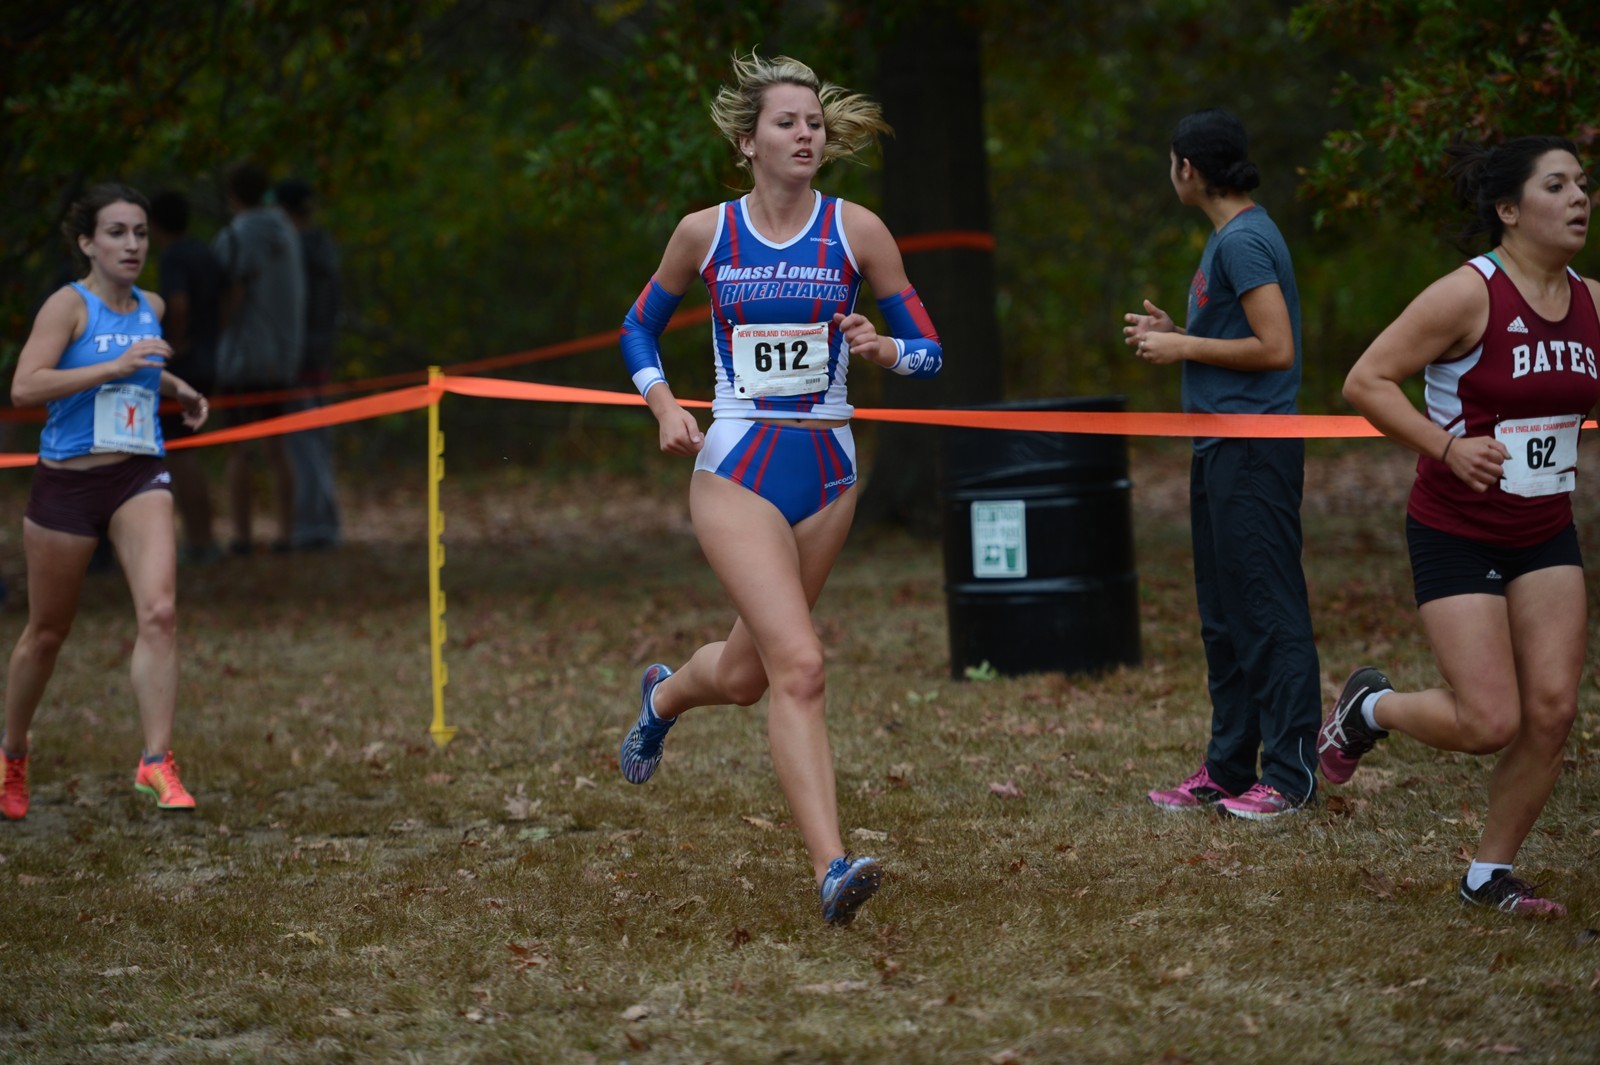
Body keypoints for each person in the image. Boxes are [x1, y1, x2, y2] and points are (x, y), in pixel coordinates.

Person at [614, 52, 942, 925]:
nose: (806, 134)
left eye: (815, 123)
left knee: (751, 673)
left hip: (830, 473)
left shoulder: (859, 231)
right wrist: (659, 404)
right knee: (801, 666)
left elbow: (930, 349)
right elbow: (638, 326)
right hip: (737, 467)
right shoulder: (705, 233)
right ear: (748, 139)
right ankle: (833, 866)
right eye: (788, 122)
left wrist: (886, 352)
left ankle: (663, 695)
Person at [1322, 136, 1597, 917]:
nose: (1580, 197)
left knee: (1552, 710)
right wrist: (1446, 446)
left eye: (1584, 183)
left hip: (1544, 529)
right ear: (1510, 210)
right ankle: (1366, 709)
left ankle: (1489, 874)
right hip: (1455, 526)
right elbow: (1364, 381)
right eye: (1558, 184)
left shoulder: (1594, 304)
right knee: (1488, 720)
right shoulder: (1468, 294)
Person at [1124, 108, 1321, 820]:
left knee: (1267, 609)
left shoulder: (1244, 240)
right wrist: (1180, 333)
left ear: (1188, 169)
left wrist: (1183, 349)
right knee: (1225, 617)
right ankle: (1228, 768)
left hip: (1254, 446)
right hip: (1217, 447)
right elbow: (1241, 336)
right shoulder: (1230, 238)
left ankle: (1291, 775)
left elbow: (1276, 348)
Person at [2, 183, 210, 821]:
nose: (132, 245)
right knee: (47, 633)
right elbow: (25, 387)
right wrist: (112, 368)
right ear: (87, 242)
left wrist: (177, 386)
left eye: (141, 233)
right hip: (68, 483)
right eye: (117, 232)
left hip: (138, 475)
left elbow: (140, 364)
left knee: (161, 612)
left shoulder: (149, 303)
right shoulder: (68, 307)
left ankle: (156, 759)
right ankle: (12, 752)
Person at [213, 161, 303, 554]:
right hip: (282, 356)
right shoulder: (287, 232)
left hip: (244, 357)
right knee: (278, 446)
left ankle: (243, 536)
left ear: (233, 195)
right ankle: (286, 533)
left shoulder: (236, 236)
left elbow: (231, 295)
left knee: (240, 447)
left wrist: (213, 331)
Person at [149, 189, 226, 563]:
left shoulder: (174, 257)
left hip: (186, 367)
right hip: (210, 359)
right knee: (185, 453)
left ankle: (200, 541)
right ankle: (201, 538)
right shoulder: (205, 253)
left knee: (180, 456)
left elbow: (178, 302)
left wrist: (175, 343)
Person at [274, 177, 343, 551]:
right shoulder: (322, 247)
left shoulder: (298, 250)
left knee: (305, 445)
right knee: (315, 442)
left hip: (303, 360)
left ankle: (315, 525)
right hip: (319, 355)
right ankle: (321, 521)